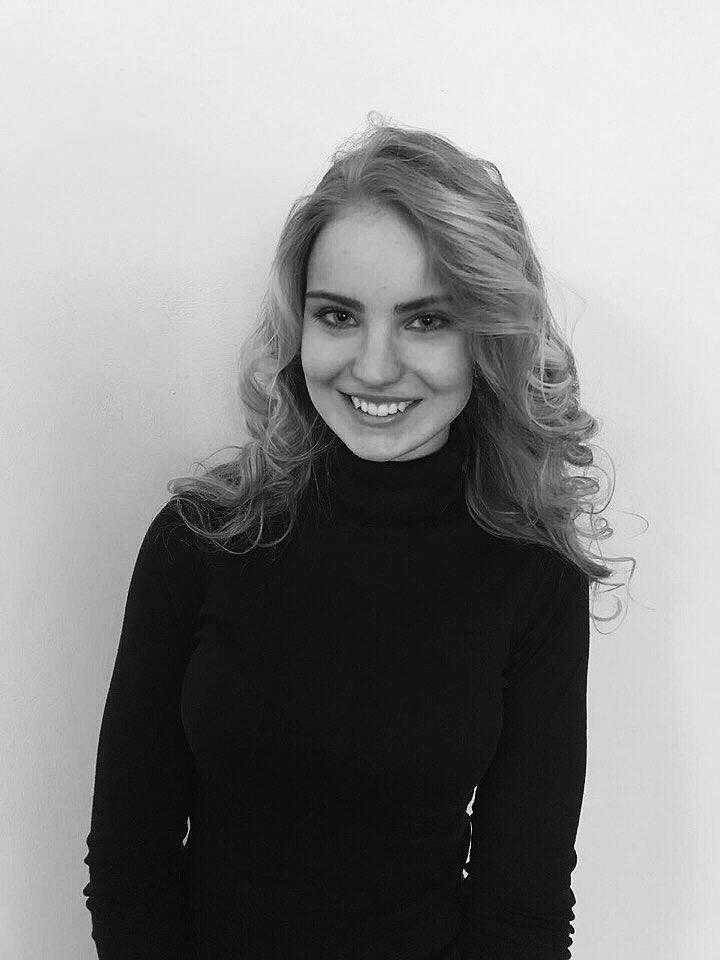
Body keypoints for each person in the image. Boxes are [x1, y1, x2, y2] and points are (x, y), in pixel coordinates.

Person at [82, 116, 616, 959]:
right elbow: (130, 864)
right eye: (338, 315)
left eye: (425, 321)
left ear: (489, 336)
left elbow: (523, 909)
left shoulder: (533, 576)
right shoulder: (200, 541)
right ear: (300, 326)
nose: (372, 367)